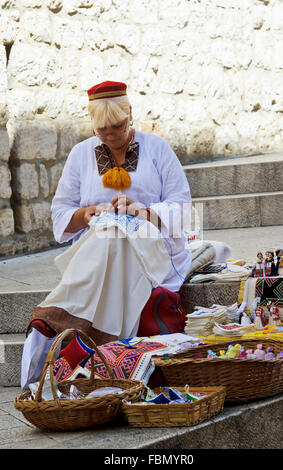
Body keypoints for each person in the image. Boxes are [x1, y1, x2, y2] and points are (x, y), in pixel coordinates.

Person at [21, 81, 193, 388]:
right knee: (109, 235)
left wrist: (141, 211)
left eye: (117, 126)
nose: (110, 135)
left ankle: (63, 316)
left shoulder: (157, 149)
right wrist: (85, 214)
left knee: (117, 237)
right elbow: (61, 213)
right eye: (102, 130)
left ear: (130, 115)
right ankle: (101, 335)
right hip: (97, 248)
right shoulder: (80, 155)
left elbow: (182, 206)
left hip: (149, 248)